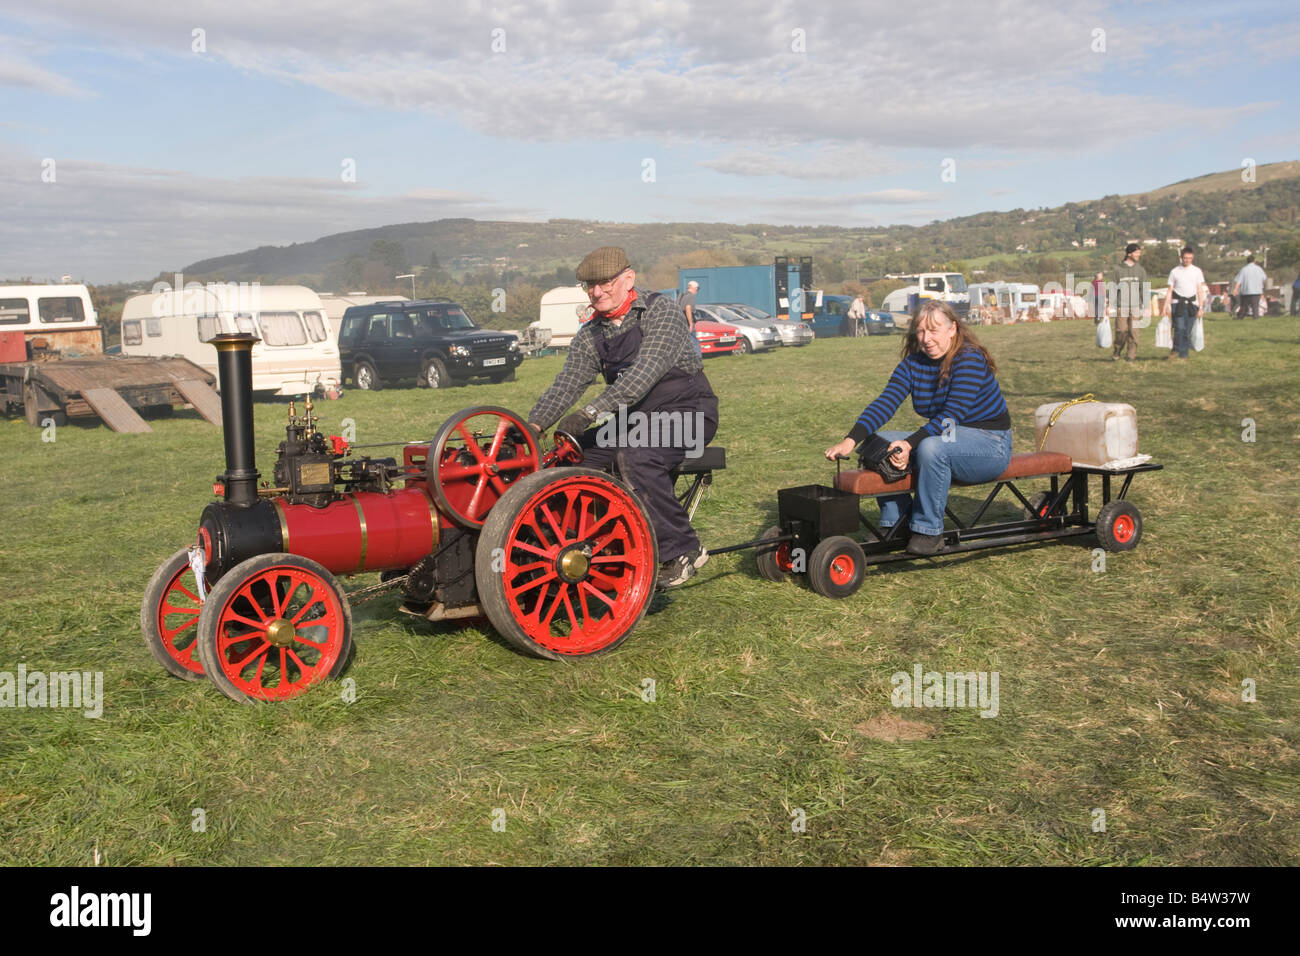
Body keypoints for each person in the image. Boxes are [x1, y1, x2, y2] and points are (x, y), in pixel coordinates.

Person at [527, 247, 718, 588]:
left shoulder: (661, 312)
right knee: (566, 458)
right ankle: (576, 548)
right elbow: (567, 384)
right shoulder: (591, 334)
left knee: (635, 456)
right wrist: (531, 427)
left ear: (628, 279)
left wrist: (589, 413)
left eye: (604, 283)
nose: (596, 292)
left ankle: (683, 550)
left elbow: (643, 374)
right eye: (590, 286)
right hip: (636, 419)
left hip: (689, 412)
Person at [823, 300, 1012, 556]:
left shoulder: (969, 358)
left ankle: (928, 531)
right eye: (921, 331)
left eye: (934, 330)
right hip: (950, 435)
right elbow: (886, 402)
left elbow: (951, 416)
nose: (926, 338)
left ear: (952, 329)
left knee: (933, 448)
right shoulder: (914, 364)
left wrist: (910, 444)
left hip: (990, 443)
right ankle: (897, 522)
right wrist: (850, 440)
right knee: (877, 443)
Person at [1162, 246, 1207, 360]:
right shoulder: (1174, 271)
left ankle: (1181, 352)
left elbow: (1199, 290)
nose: (1187, 260)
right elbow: (1170, 290)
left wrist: (1201, 307)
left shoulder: (1197, 271)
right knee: (1179, 328)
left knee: (1187, 330)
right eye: (1185, 258)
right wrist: (1165, 306)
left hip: (1192, 304)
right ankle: (1179, 351)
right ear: (1181, 257)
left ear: (1192, 258)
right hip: (1178, 303)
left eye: (1189, 258)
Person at [1113, 243, 1147, 362]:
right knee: (1121, 330)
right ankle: (1117, 349)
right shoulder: (1118, 269)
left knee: (1134, 332)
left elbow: (1144, 288)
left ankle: (1131, 356)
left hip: (1136, 306)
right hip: (1121, 305)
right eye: (1137, 253)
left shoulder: (1141, 270)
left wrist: (1145, 306)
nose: (1139, 255)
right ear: (1129, 253)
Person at [1231, 254, 1267, 320]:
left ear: (1247, 261)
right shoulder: (1259, 269)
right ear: (1254, 261)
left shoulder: (1243, 269)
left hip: (1246, 291)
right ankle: (1255, 317)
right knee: (1255, 305)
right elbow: (1264, 278)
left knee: (1244, 306)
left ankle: (1240, 317)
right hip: (1257, 290)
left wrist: (1235, 289)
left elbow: (1238, 281)